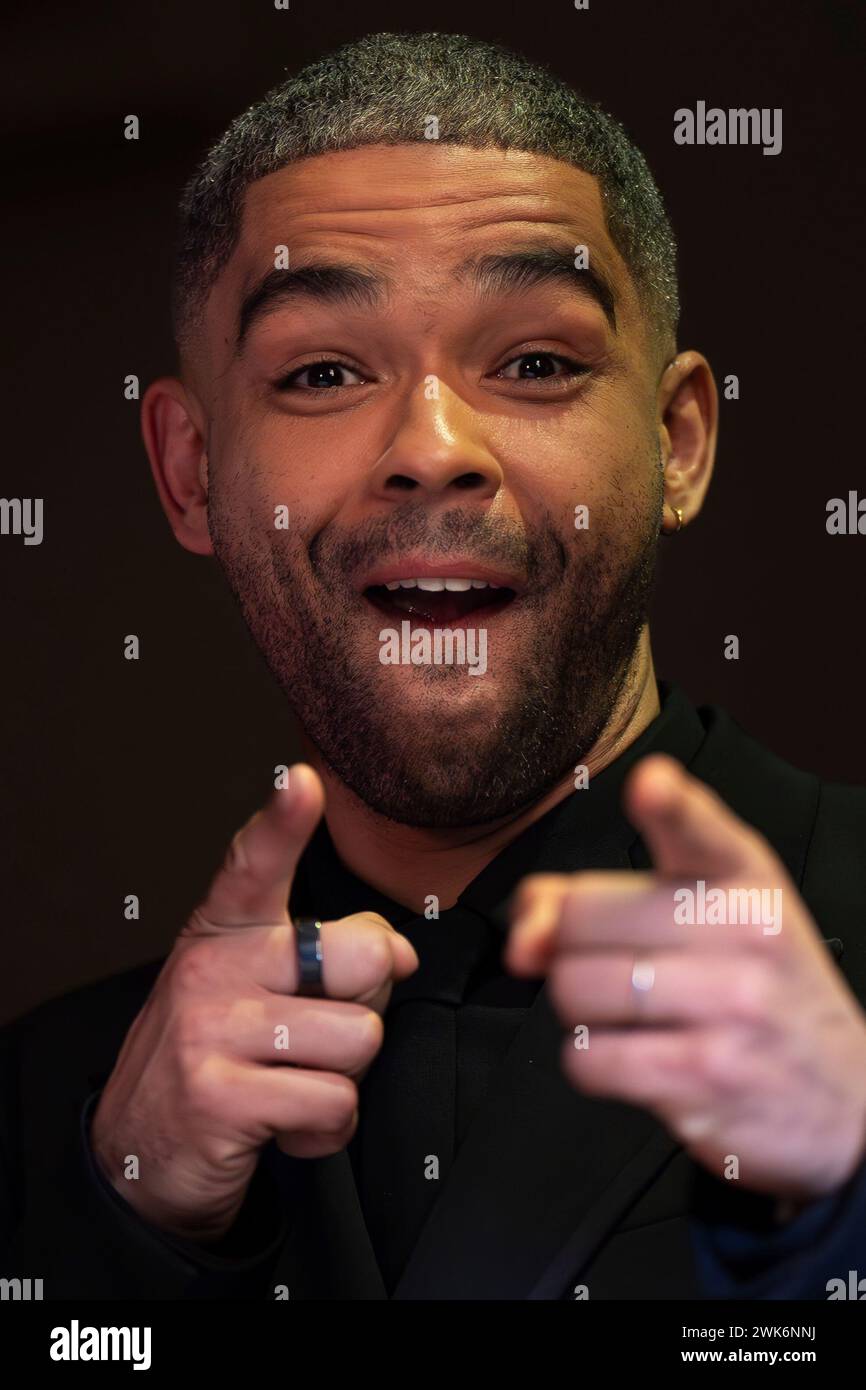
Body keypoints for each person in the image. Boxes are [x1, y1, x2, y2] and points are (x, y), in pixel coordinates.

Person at [3, 30, 866, 1302]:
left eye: (533, 362)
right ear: (190, 472)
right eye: (321, 372)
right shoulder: (54, 1111)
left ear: (676, 442)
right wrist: (126, 1232)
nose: (431, 445)